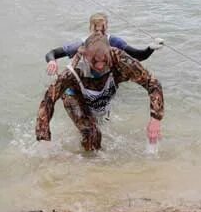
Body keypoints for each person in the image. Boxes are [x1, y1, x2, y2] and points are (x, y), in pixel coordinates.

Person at [36, 34, 164, 151]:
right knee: (93, 134)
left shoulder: (120, 59)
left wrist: (155, 119)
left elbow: (152, 83)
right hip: (75, 95)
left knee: (101, 124)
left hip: (102, 94)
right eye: (95, 61)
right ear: (85, 55)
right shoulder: (74, 70)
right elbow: (48, 99)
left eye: (104, 61)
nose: (100, 66)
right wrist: (44, 138)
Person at [44, 13, 162, 75]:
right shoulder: (83, 43)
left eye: (102, 28)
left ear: (107, 27)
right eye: (96, 29)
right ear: (90, 28)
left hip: (110, 77)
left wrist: (150, 48)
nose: (99, 32)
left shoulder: (115, 41)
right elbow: (52, 53)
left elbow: (138, 56)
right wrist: (52, 61)